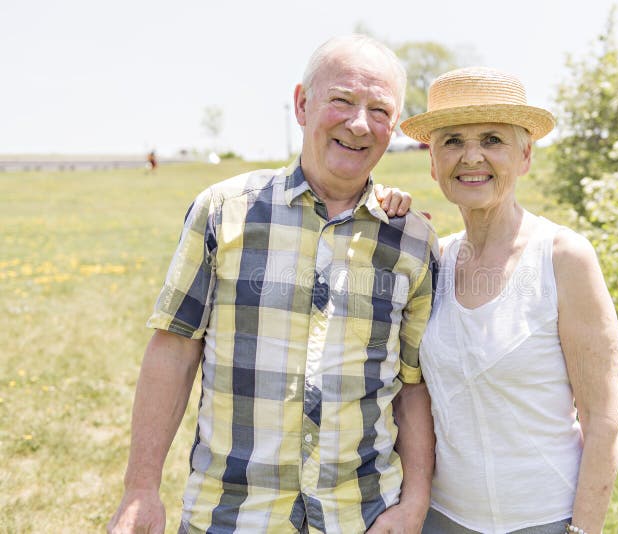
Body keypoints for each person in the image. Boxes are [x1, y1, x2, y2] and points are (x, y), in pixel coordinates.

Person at [107, 35, 439, 534]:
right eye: (342, 101)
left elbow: (411, 388)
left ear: (393, 127)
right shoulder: (224, 211)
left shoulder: (412, 241)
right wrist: (140, 489)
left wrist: (413, 505)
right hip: (233, 517)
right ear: (302, 104)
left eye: (379, 110)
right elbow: (174, 350)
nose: (358, 123)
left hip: (364, 516)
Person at [399, 67, 618, 534]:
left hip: (544, 518)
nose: (472, 156)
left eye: (493, 139)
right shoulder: (433, 259)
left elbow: (603, 419)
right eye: (453, 141)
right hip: (441, 519)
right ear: (433, 163)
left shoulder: (563, 257)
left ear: (524, 155)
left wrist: (581, 532)